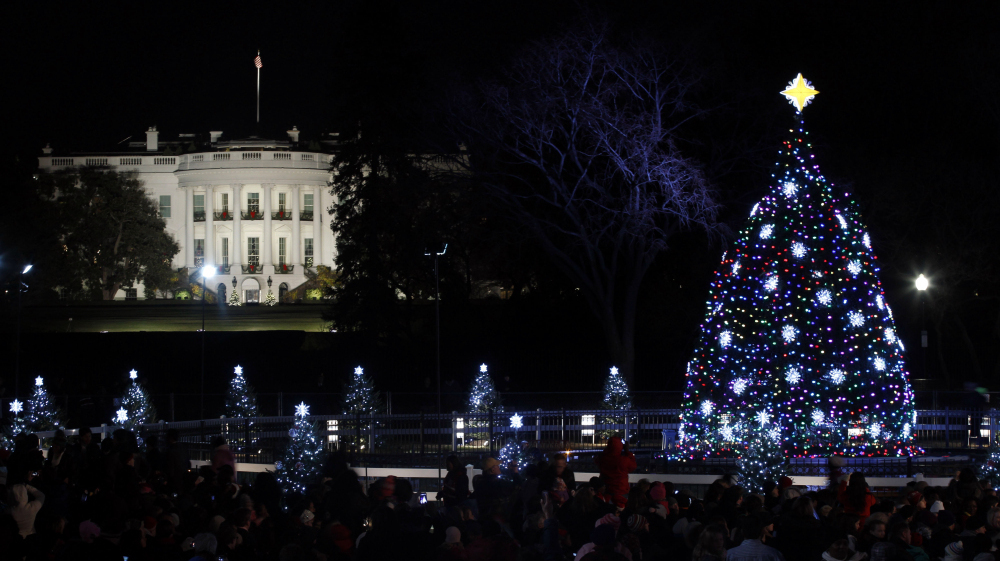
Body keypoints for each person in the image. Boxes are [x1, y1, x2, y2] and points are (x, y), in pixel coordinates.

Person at [595, 436, 636, 508]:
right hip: (621, 491)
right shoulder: (624, 460)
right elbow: (633, 466)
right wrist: (627, 451)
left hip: (606, 490)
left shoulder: (603, 459)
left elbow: (598, 460)